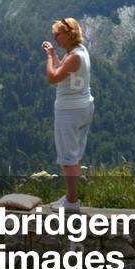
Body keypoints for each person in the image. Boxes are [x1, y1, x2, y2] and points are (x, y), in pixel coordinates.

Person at [42, 17, 94, 213]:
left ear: (70, 33)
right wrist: (54, 54)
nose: (56, 38)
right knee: (75, 155)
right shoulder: (79, 51)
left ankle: (71, 203)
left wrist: (48, 58)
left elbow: (53, 77)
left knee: (67, 158)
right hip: (83, 106)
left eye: (58, 34)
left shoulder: (74, 57)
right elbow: (62, 69)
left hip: (70, 110)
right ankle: (70, 198)